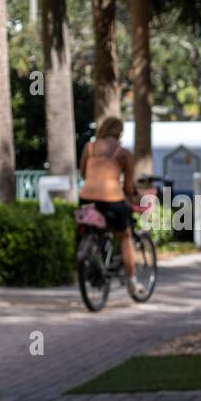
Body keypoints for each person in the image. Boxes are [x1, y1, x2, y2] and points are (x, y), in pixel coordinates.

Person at [78, 117, 145, 298]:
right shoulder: (123, 153)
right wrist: (133, 196)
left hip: (86, 197)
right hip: (111, 199)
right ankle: (132, 282)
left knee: (90, 228)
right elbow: (128, 187)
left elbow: (83, 173)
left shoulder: (89, 148)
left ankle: (91, 252)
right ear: (119, 132)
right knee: (125, 236)